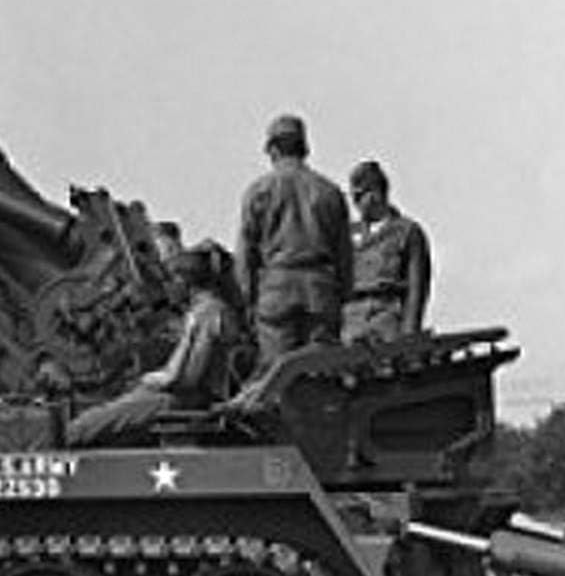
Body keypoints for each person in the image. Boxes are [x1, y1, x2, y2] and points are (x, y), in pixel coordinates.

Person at [67, 242, 240, 448]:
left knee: (78, 429)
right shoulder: (216, 309)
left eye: (173, 279)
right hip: (182, 397)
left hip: (177, 401)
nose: (169, 287)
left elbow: (184, 378)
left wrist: (150, 380)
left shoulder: (203, 315)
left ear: (186, 281)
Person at [235, 114, 353, 369]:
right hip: (320, 290)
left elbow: (246, 254)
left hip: (276, 290)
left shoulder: (258, 191)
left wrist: (246, 300)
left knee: (279, 376)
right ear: (304, 148)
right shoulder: (330, 192)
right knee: (322, 372)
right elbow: (345, 254)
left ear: (273, 150)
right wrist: (342, 296)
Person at [341, 159, 432, 344]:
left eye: (360, 196)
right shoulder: (347, 234)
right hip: (350, 318)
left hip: (385, 315)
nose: (356, 203)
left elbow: (417, 288)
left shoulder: (407, 232)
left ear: (376, 194)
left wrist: (409, 334)